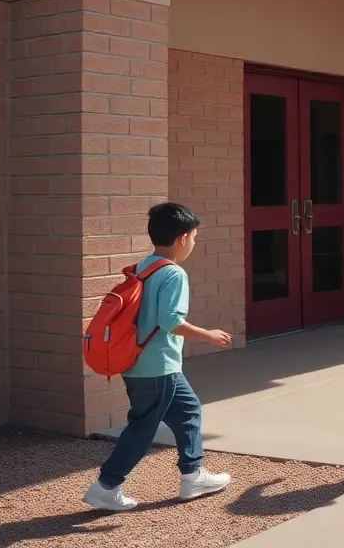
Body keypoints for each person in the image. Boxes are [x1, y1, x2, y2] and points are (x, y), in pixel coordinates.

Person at [84, 203, 234, 512]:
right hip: (158, 367)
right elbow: (170, 321)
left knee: (189, 410)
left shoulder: (143, 267)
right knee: (142, 426)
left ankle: (192, 474)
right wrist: (209, 335)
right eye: (194, 237)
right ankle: (106, 486)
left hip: (141, 364)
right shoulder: (174, 273)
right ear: (181, 239)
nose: (194, 243)